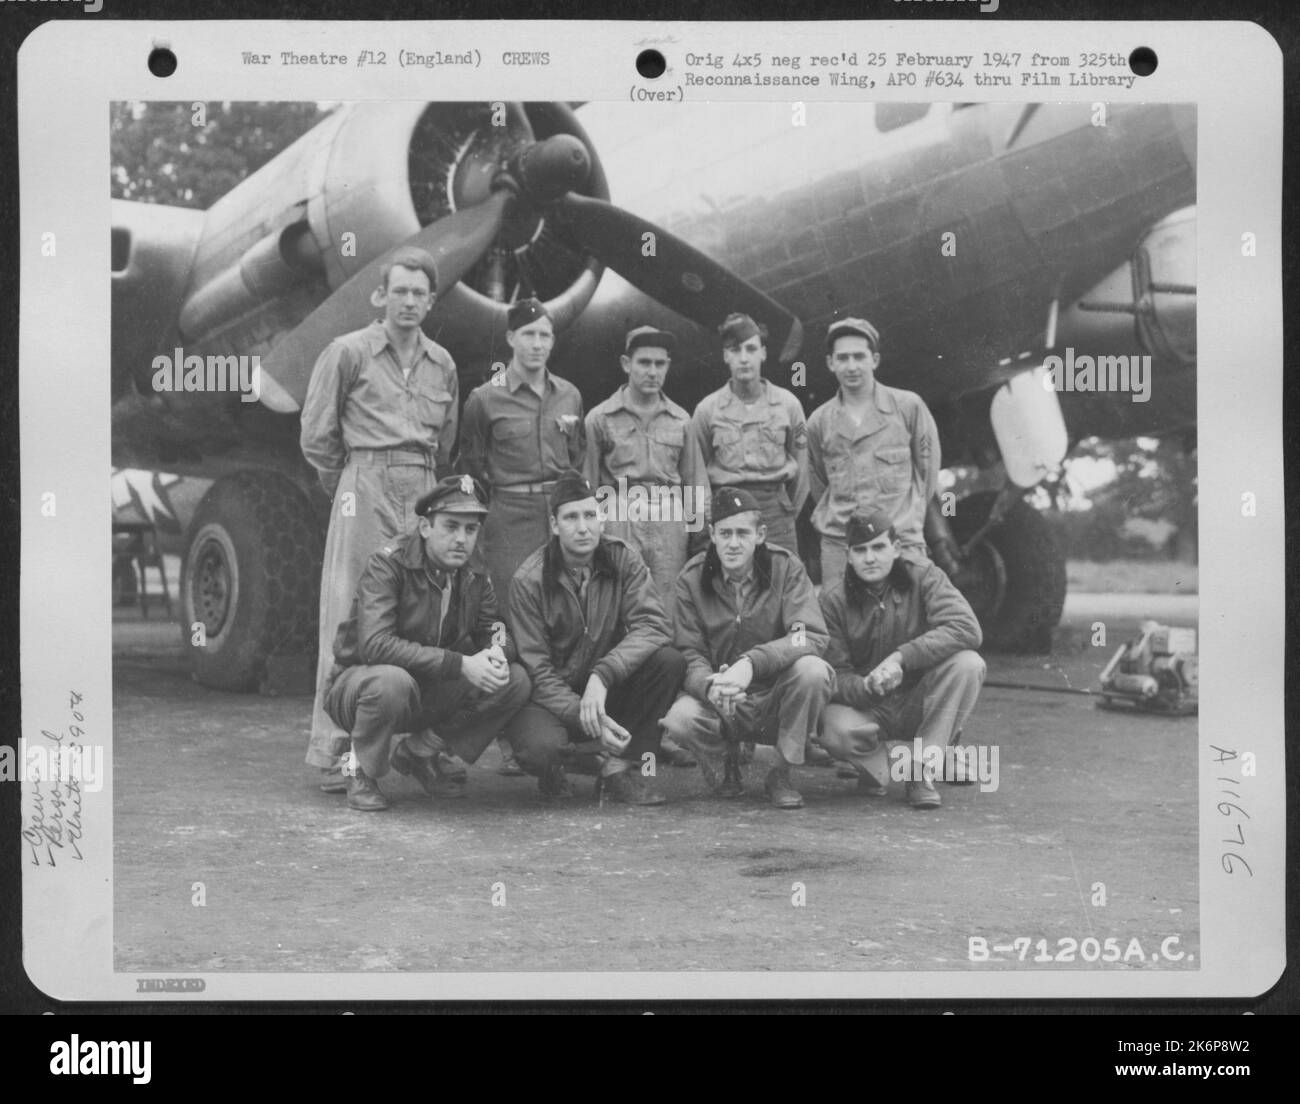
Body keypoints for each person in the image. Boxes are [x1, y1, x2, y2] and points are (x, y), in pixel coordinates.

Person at [300, 246, 460, 790]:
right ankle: (335, 751)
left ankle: (409, 744)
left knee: (416, 612)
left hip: (422, 485)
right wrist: (348, 487)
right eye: (400, 291)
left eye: (419, 293)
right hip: (362, 481)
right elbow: (317, 437)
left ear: (431, 301)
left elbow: (449, 440)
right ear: (380, 295)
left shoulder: (444, 364)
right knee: (348, 613)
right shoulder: (347, 352)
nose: (409, 301)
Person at [321, 475, 532, 811]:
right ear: (424, 527)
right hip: (360, 686)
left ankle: (421, 752)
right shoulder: (388, 564)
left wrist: (496, 651)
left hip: (429, 687)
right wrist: (461, 664)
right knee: (391, 680)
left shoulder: (474, 570)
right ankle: (359, 769)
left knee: (514, 678)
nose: (461, 539)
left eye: (470, 529)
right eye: (450, 526)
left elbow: (495, 628)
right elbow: (376, 644)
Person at [456, 297, 585, 775]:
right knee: (511, 627)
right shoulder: (483, 399)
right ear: (510, 339)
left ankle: (550, 730)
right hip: (507, 518)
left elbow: (579, 464)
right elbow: (470, 471)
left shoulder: (570, 395)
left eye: (545, 335)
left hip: (557, 518)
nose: (537, 344)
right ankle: (512, 739)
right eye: (528, 334)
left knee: (559, 617)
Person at [503, 471, 686, 805]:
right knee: (537, 750)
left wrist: (604, 675)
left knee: (668, 662)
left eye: (590, 515)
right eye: (571, 517)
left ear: (602, 519)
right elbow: (538, 671)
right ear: (554, 525)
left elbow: (654, 625)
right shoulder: (528, 581)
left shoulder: (622, 557)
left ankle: (618, 770)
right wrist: (583, 713)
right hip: (552, 698)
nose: (583, 527)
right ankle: (562, 768)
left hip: (602, 685)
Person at [661, 488, 835, 809]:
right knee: (679, 719)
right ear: (712, 534)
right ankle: (722, 761)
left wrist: (752, 664)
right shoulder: (692, 578)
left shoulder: (786, 569)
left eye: (743, 533)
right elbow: (687, 650)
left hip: (773, 697)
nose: (733, 543)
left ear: (760, 535)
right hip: (721, 698)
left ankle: (780, 773)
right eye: (725, 533)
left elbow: (807, 634)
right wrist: (708, 684)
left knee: (813, 671)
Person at [584, 325, 708, 768]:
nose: (652, 372)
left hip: (669, 518)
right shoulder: (600, 419)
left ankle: (663, 730)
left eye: (660, 364)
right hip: (620, 514)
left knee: (669, 619)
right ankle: (617, 725)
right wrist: (596, 536)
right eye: (644, 363)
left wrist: (698, 538)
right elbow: (590, 482)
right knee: (622, 618)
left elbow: (694, 481)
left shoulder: (682, 420)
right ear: (626, 365)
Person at [818, 509, 985, 809]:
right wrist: (866, 686)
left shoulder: (924, 575)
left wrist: (901, 658)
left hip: (918, 700)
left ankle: (921, 769)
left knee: (968, 664)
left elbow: (966, 628)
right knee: (830, 725)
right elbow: (835, 673)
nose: (870, 558)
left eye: (879, 547)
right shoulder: (832, 599)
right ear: (849, 556)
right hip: (869, 707)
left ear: (896, 548)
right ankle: (874, 768)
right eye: (861, 550)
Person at [806, 317, 941, 587]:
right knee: (843, 624)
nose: (852, 366)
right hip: (842, 546)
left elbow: (927, 475)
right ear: (831, 363)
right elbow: (818, 484)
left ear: (875, 360)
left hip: (900, 540)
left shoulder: (908, 407)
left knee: (908, 621)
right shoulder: (819, 422)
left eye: (859, 356)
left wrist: (908, 520)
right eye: (842, 358)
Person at [690, 313, 809, 557]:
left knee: (783, 584)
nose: (744, 358)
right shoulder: (707, 410)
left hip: (775, 513)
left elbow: (802, 471)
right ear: (725, 356)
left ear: (763, 353)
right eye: (735, 350)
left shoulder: (789, 404)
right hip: (727, 511)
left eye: (751, 349)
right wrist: (711, 518)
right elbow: (696, 474)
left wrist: (784, 511)